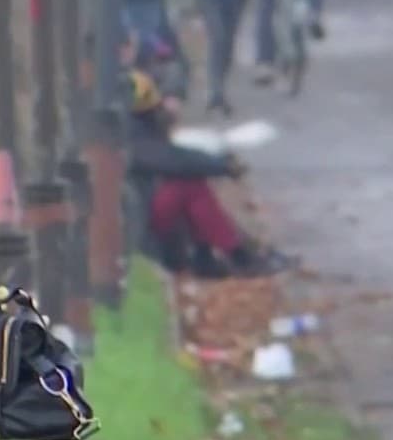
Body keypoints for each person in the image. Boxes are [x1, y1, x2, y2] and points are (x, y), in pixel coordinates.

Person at [120, 50, 292, 279]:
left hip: (141, 216)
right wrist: (222, 166)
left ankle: (216, 256)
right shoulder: (132, 136)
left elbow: (171, 67)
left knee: (190, 185)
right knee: (186, 184)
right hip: (137, 228)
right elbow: (174, 160)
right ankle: (237, 255)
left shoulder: (129, 127)